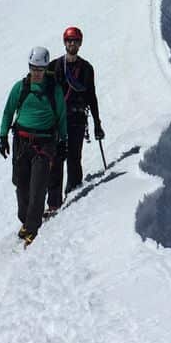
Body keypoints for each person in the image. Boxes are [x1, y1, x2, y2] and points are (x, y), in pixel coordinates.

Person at [0, 46, 67, 244]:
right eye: (33, 68)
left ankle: (32, 228)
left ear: (46, 69)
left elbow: (62, 117)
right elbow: (8, 112)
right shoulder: (20, 88)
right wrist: (3, 137)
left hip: (45, 144)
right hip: (21, 143)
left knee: (37, 187)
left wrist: (63, 142)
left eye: (40, 69)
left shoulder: (54, 91)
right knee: (21, 186)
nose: (36, 73)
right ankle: (26, 221)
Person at [46, 25, 103, 211]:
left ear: (80, 44)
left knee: (73, 157)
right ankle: (54, 203)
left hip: (77, 118)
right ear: (65, 43)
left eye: (75, 41)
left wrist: (97, 123)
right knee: (56, 159)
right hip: (58, 120)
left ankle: (73, 194)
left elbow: (91, 97)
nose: (72, 44)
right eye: (70, 41)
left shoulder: (86, 69)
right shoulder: (54, 67)